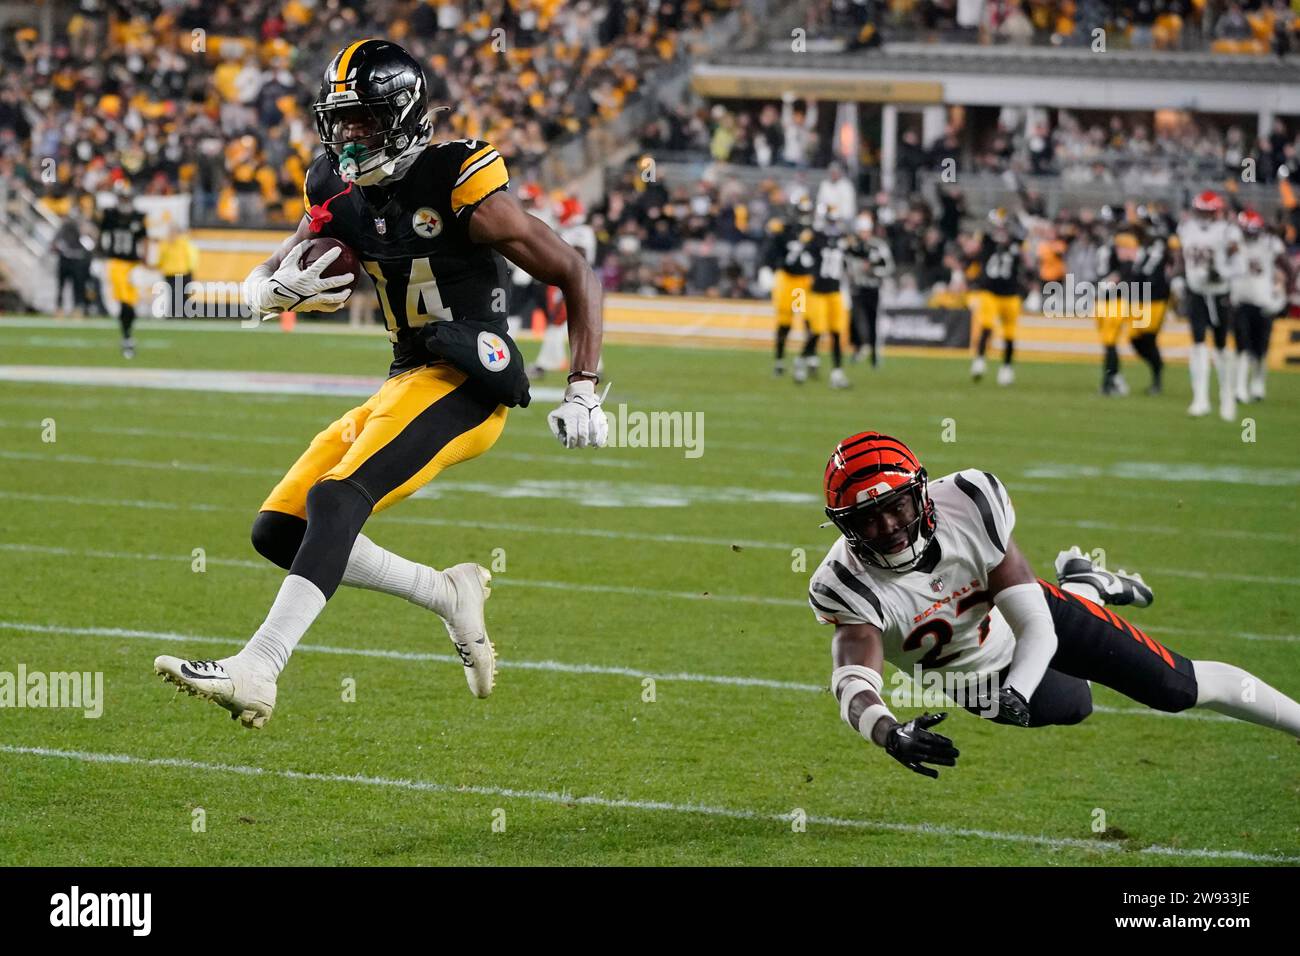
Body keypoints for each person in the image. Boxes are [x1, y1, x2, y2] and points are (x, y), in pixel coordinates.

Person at [153, 39, 609, 728]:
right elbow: (265, 271)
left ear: (402, 115)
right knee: (279, 528)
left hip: (468, 382)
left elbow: (575, 271)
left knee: (339, 498)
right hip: (404, 380)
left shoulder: (457, 179)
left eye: (364, 120)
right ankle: (447, 593)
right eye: (339, 121)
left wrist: (583, 387)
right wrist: (269, 293)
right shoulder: (335, 188)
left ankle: (259, 667)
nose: (348, 136)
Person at [810, 432, 1300, 777]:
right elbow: (853, 683)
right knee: (1075, 705)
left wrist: (1018, 690)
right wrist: (890, 733)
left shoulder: (970, 505)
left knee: (1176, 688)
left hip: (1028, 622)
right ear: (846, 525)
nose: (890, 526)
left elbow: (1038, 625)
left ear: (922, 495)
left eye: (897, 506)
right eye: (870, 519)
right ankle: (1087, 584)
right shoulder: (846, 584)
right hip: (973, 679)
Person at [1175, 190, 1240, 420]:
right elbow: (1181, 256)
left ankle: (1227, 397)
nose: (1203, 216)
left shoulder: (1227, 231)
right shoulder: (1186, 228)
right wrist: (1179, 277)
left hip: (1220, 293)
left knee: (1221, 346)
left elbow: (1238, 263)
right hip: (1197, 292)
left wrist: (1222, 274)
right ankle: (1200, 398)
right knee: (1198, 344)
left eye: (1207, 212)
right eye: (1200, 211)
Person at [1230, 209, 1293, 403]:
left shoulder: (1270, 243)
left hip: (1263, 301)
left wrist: (1284, 292)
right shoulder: (1233, 243)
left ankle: (1257, 384)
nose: (1249, 234)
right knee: (1242, 346)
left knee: (1260, 348)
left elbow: (1288, 268)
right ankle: (1240, 387)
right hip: (1240, 300)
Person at [97, 179, 148, 357]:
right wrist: (99, 256)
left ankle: (127, 334)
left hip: (132, 264)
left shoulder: (138, 217)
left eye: (127, 198)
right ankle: (127, 336)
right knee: (125, 302)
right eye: (123, 198)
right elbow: (101, 236)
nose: (125, 201)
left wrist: (145, 260)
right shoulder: (110, 215)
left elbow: (144, 240)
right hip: (116, 263)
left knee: (131, 303)